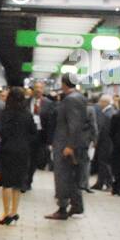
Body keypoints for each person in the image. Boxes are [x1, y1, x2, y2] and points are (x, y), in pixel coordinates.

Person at [45, 74, 91, 220]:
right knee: (70, 177)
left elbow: (74, 123)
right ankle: (76, 207)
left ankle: (63, 208)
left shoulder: (72, 100)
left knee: (63, 176)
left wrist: (70, 145)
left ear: (64, 83)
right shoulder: (77, 98)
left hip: (65, 144)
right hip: (67, 143)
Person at [0, 84, 37, 226]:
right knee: (17, 184)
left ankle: (6, 214)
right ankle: (14, 212)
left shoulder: (6, 113)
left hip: (7, 150)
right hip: (23, 152)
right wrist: (24, 142)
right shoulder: (27, 114)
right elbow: (34, 134)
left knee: (6, 182)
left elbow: (3, 133)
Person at [26, 83, 50, 191]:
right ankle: (24, 180)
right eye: (36, 88)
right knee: (25, 158)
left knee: (34, 160)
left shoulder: (49, 104)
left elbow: (51, 122)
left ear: (43, 90)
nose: (38, 90)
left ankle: (29, 180)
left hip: (41, 136)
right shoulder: (25, 102)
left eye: (40, 88)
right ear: (33, 89)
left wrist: (50, 139)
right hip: (27, 135)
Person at [91, 95, 116, 191]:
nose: (99, 104)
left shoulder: (107, 114)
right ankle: (101, 182)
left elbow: (103, 130)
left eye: (101, 102)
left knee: (104, 163)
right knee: (104, 163)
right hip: (107, 142)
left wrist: (96, 140)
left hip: (105, 142)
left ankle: (108, 183)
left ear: (105, 102)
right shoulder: (110, 112)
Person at [79, 98, 100, 193]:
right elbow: (93, 125)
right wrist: (95, 139)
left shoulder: (72, 108)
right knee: (86, 162)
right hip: (85, 140)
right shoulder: (90, 109)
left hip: (72, 139)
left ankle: (76, 183)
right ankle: (84, 184)